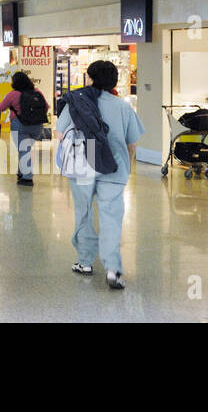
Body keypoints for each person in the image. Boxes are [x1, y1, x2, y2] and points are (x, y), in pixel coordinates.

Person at [56, 60, 144, 290]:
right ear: (115, 81)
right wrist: (126, 164)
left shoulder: (77, 102)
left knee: (83, 212)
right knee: (111, 217)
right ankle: (113, 269)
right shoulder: (123, 107)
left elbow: (59, 134)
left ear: (91, 78)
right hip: (114, 167)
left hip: (83, 165)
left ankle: (85, 262)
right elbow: (132, 143)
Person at [0, 71, 48, 186]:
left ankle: (27, 178)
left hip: (20, 126)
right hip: (37, 127)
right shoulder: (37, 92)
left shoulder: (13, 94)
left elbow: (1, 108)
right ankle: (21, 171)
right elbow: (46, 106)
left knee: (24, 150)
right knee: (25, 149)